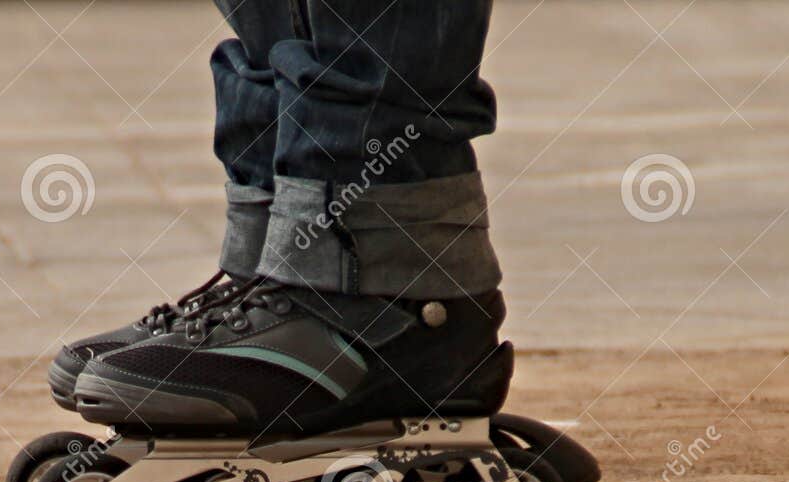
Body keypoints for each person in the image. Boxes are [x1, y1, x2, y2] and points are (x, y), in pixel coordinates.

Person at [49, 0, 511, 437]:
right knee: (271, 30)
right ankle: (279, 284)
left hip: (401, 302)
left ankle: (387, 304)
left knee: (374, 32)